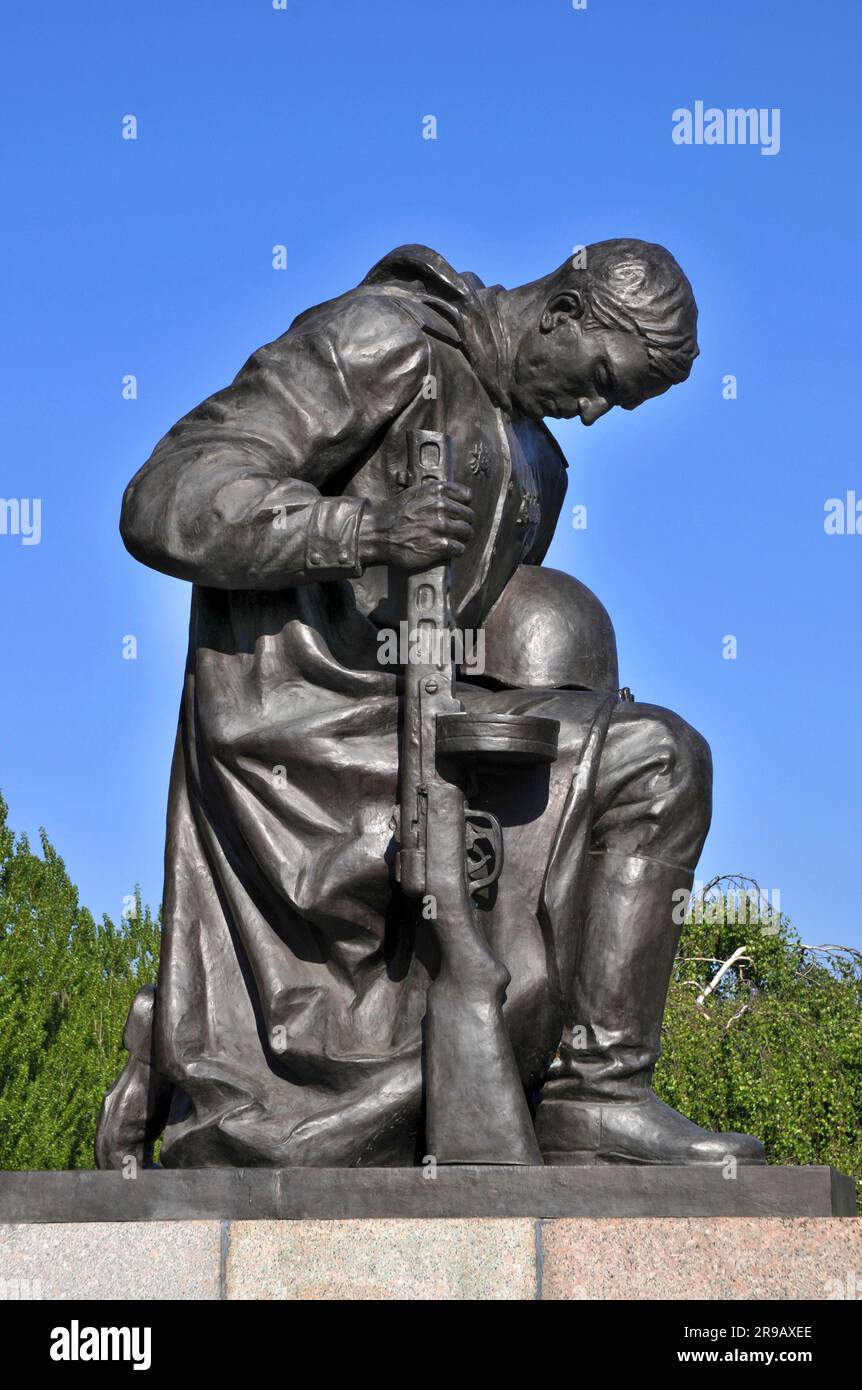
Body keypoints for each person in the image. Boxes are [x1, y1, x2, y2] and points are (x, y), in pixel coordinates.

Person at [96, 239, 764, 1169]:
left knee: (657, 763)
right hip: (301, 742)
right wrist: (359, 528)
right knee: (640, 763)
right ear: (565, 312)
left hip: (430, 725)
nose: (598, 411)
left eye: (623, 402)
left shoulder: (540, 459)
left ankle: (597, 1094)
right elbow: (168, 495)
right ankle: (200, 1040)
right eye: (604, 378)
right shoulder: (385, 339)